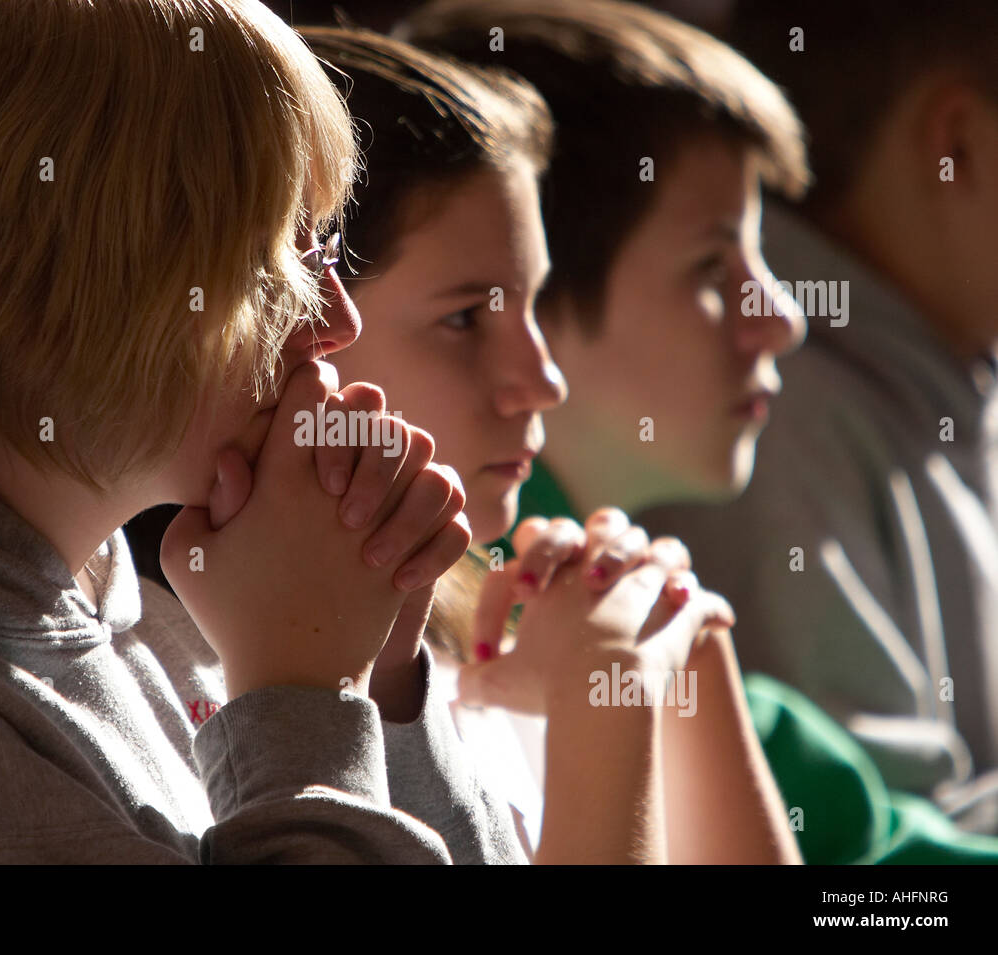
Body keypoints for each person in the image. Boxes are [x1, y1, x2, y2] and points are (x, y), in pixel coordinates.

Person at [0, 0, 499, 864]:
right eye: (276, 259)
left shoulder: (152, 616)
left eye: (327, 245)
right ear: (55, 287)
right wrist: (304, 692)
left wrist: (376, 682)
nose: (337, 323)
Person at [402, 0, 998, 861]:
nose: (784, 317)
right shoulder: (456, 665)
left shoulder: (704, 664)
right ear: (531, 283)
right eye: (712, 267)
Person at [298, 25, 799, 863]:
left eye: (531, 306)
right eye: (464, 319)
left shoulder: (494, 645)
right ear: (303, 329)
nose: (544, 381)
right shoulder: (239, 698)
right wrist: (614, 699)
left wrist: (687, 652)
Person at [641, 0, 998, 834]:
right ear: (958, 144)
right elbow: (857, 865)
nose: (771, 319)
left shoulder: (951, 377)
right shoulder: (758, 421)